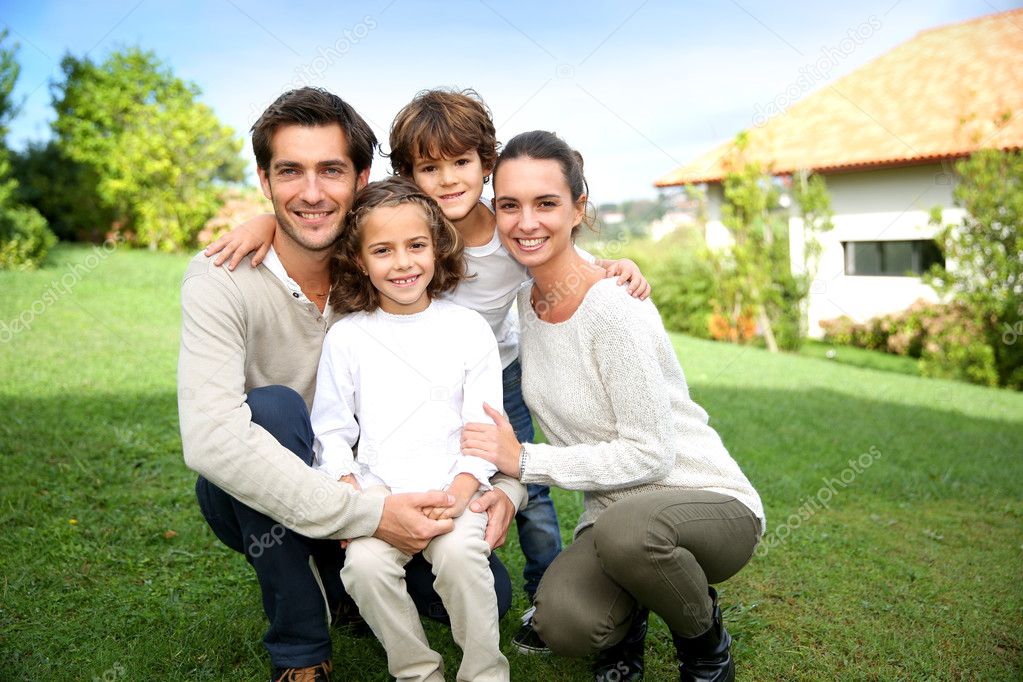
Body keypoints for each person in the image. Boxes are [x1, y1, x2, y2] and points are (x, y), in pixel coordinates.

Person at [203, 89, 651, 653]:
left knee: (526, 491)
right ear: (410, 178)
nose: (447, 181)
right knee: (399, 470)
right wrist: (261, 224)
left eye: (461, 164)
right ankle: (362, 580)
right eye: (429, 169)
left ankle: (544, 589)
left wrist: (615, 266)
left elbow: (560, 252)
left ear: (486, 166)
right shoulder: (401, 228)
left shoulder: (509, 234)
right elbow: (319, 217)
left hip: (496, 374)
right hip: (408, 388)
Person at [178, 87, 524, 682]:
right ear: (265, 179)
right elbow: (212, 441)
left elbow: (479, 398)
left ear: (362, 179)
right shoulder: (223, 277)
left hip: (400, 485)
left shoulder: (378, 262)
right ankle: (302, 649)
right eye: (290, 172)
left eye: (331, 171)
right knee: (276, 410)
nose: (311, 193)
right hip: (273, 495)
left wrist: (505, 489)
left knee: (487, 588)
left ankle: (348, 587)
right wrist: (364, 514)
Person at [460, 130, 766, 682]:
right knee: (563, 623)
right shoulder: (527, 304)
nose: (526, 221)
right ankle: (633, 614)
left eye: (546, 203)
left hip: (707, 503)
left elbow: (650, 454)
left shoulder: (615, 307)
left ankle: (705, 644)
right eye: (510, 205)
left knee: (632, 533)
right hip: (613, 521)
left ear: (579, 207)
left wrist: (523, 461)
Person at [312, 176, 509, 681]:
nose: (402, 263)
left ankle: (485, 672)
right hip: (381, 499)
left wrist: (464, 487)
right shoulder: (348, 337)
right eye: (383, 250)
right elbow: (332, 429)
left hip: (454, 490)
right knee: (364, 569)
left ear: (438, 249)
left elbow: (483, 426)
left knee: (464, 557)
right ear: (359, 260)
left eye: (416, 245)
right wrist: (349, 488)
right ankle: (417, 671)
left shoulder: (467, 329)